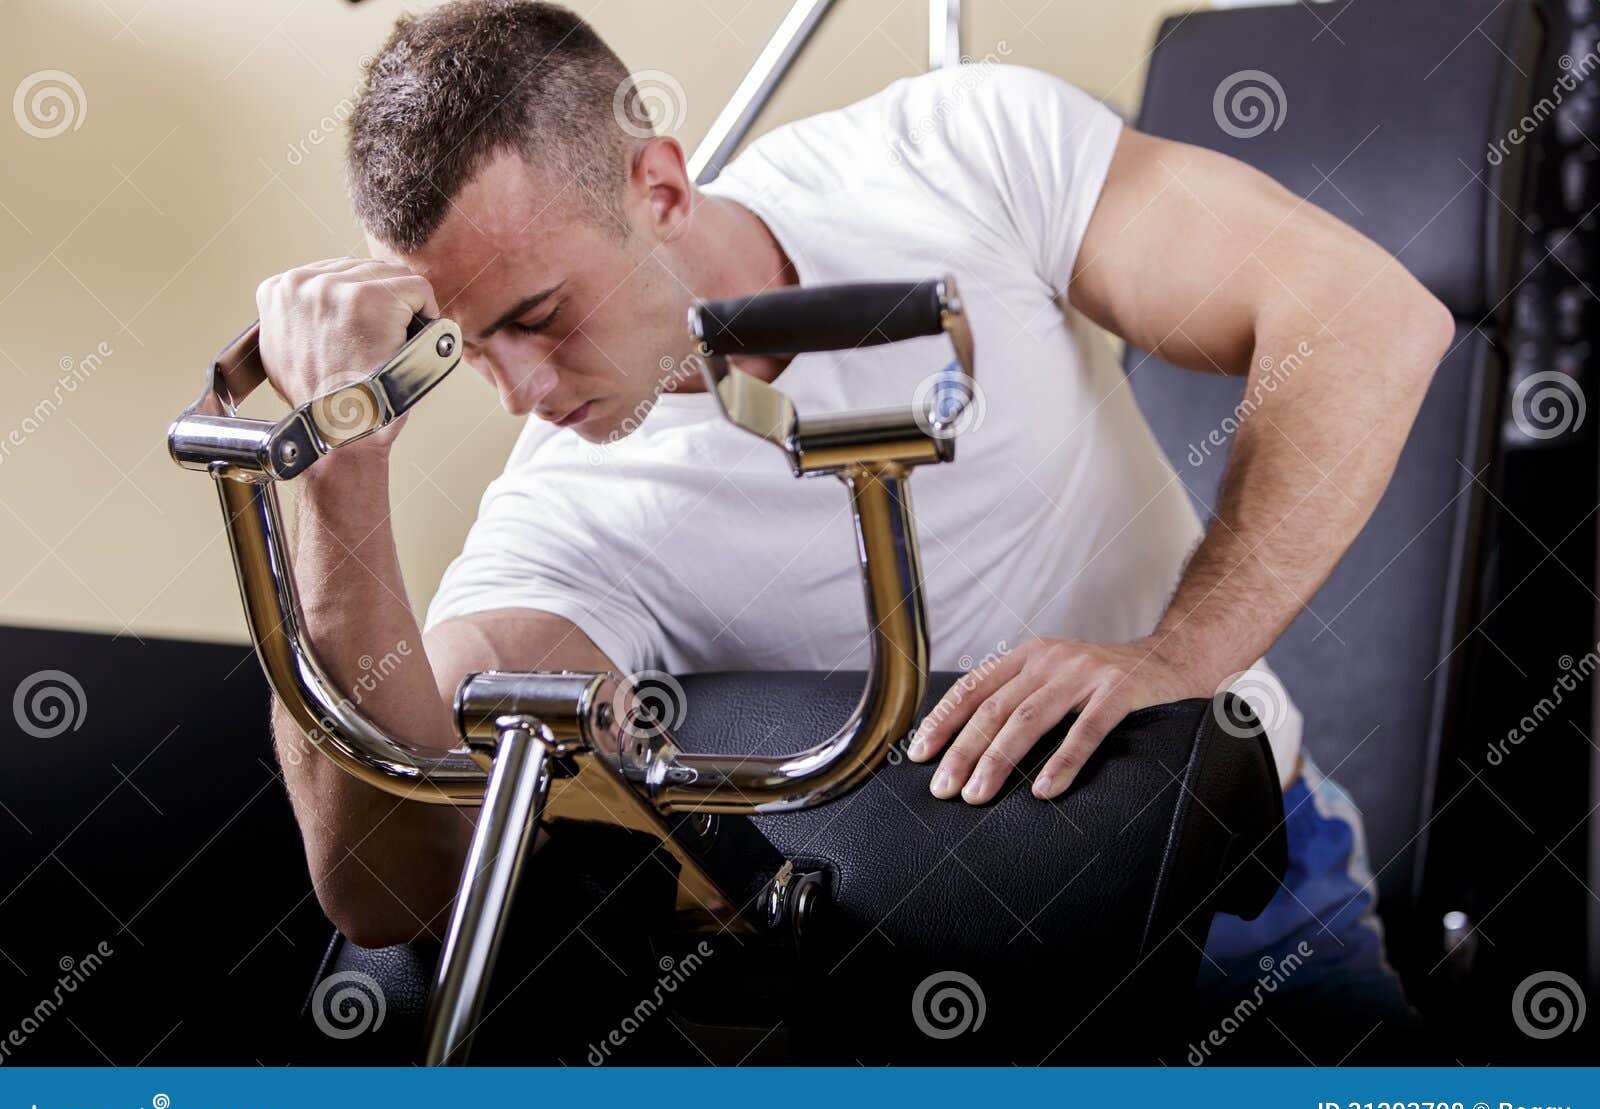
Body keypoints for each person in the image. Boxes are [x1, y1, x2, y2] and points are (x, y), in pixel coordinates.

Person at [255, 0, 1448, 1051]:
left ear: (658, 188)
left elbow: (1364, 319)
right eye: (467, 344)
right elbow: (392, 886)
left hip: (1240, 877)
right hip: (924, 975)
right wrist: (334, 473)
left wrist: (1177, 656)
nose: (518, 391)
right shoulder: (568, 509)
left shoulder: (951, 152)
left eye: (540, 315)